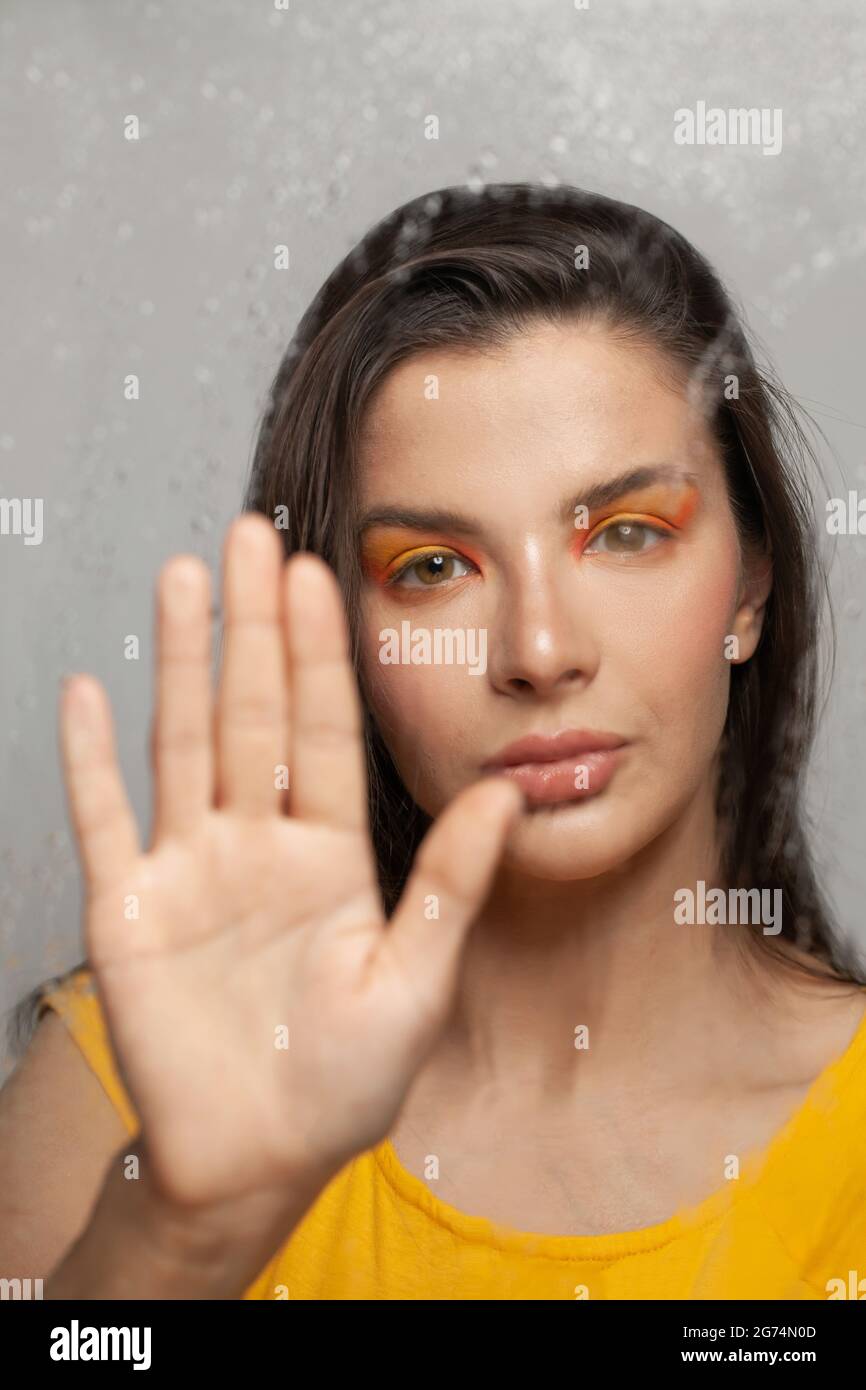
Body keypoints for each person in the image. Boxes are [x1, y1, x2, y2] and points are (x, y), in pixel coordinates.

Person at [2, 182, 866, 1300]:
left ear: (748, 587)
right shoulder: (123, 1095)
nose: (539, 650)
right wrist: (170, 1239)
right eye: (431, 566)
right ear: (341, 634)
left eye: (625, 533)